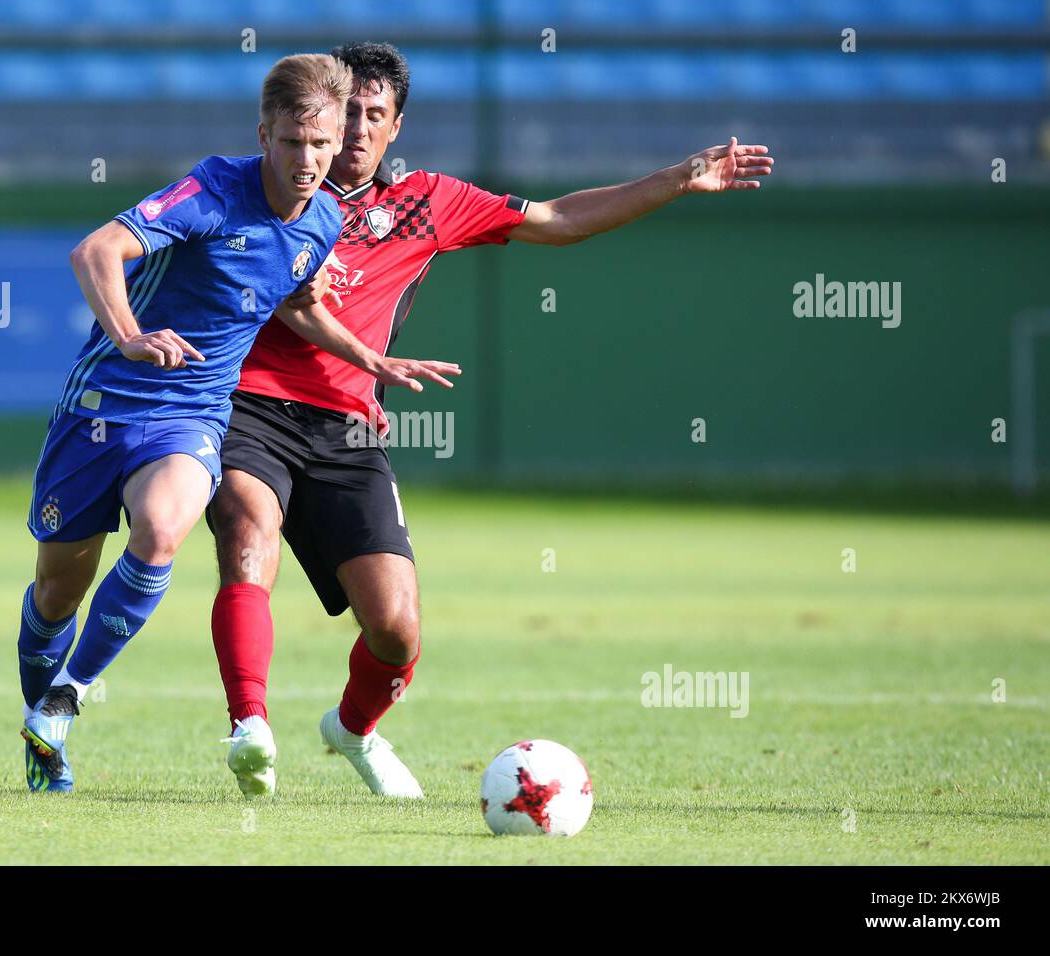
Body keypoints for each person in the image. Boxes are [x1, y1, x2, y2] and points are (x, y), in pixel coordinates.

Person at [208, 41, 775, 798]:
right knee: (249, 534)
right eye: (347, 114)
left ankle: (352, 728)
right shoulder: (268, 188)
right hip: (248, 404)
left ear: (397, 126)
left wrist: (675, 180)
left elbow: (557, 219)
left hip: (347, 427)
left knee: (397, 628)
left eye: (376, 116)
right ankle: (250, 727)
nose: (357, 132)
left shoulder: (425, 202)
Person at [15, 52, 458, 791]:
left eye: (322, 144)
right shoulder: (213, 189)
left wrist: (369, 360)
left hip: (192, 412)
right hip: (102, 408)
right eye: (294, 143)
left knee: (161, 533)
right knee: (59, 589)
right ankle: (39, 715)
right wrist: (129, 336)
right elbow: (96, 250)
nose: (310, 160)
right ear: (265, 134)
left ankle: (66, 699)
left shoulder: (322, 220)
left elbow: (296, 301)